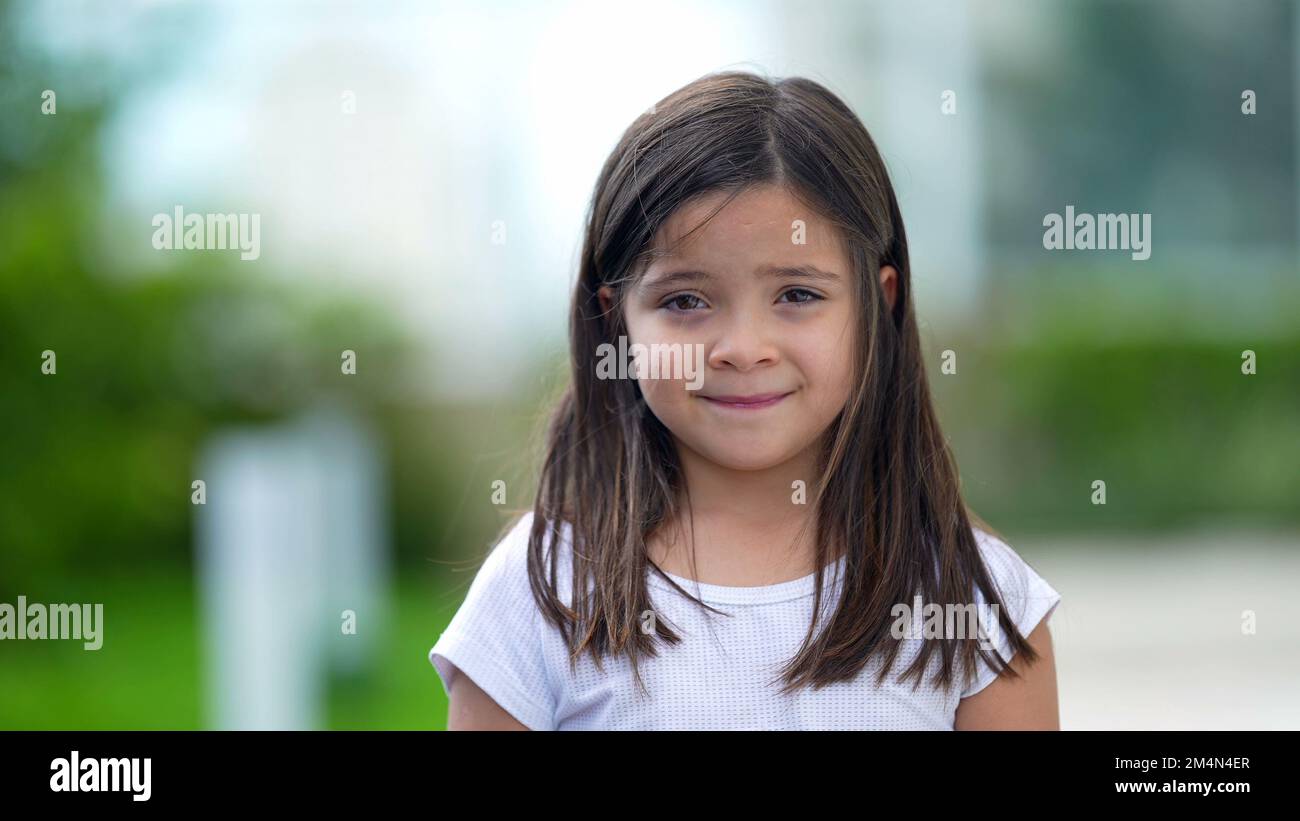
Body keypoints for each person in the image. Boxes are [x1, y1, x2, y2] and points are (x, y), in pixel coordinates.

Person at [430, 70, 1061, 730]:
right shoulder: (541, 592)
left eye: (796, 295)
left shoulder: (978, 603)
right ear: (617, 322)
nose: (743, 347)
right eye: (684, 301)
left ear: (882, 300)